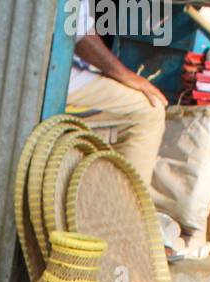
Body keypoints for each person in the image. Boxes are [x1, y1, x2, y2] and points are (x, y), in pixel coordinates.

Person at [66, 0, 168, 187]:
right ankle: (125, 211)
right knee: (148, 110)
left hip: (58, 66)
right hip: (53, 78)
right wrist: (124, 75)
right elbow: (77, 30)